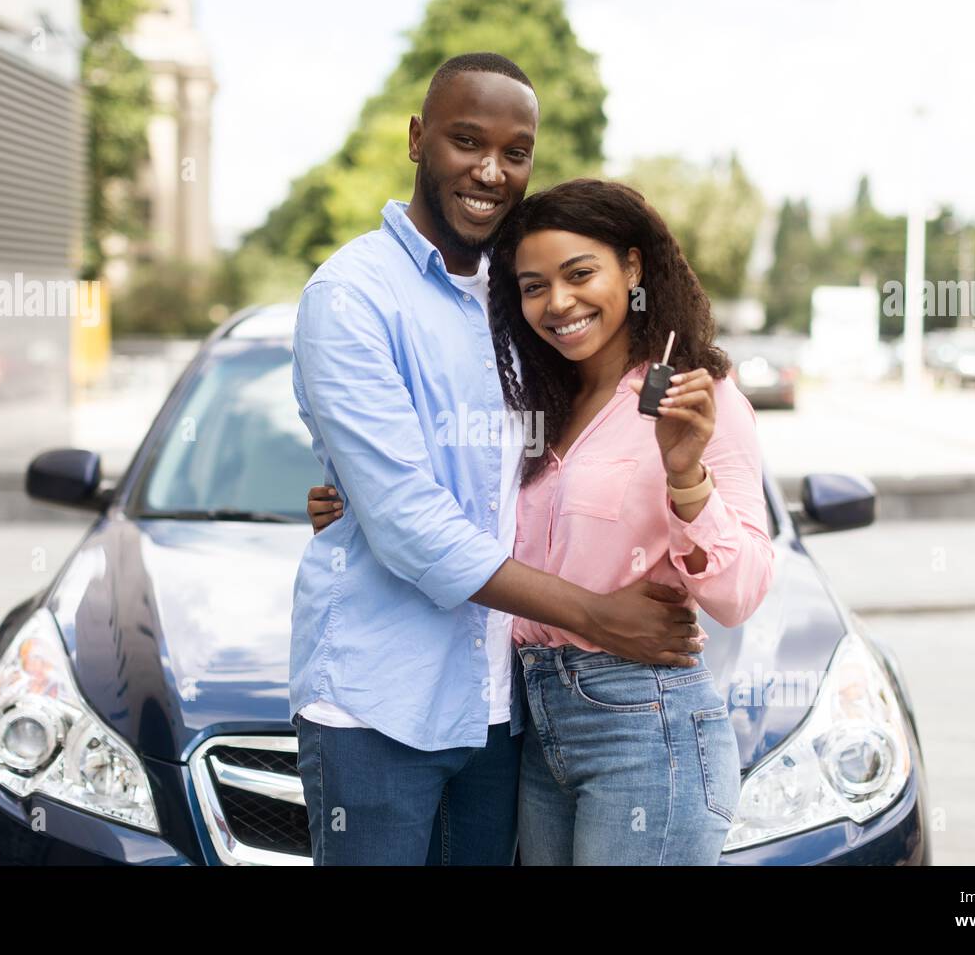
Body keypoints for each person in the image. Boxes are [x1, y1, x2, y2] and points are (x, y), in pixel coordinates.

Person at [290, 53, 702, 867]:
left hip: (502, 709)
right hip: (379, 707)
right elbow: (409, 523)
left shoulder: (521, 301)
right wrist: (595, 613)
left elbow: (543, 468)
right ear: (417, 140)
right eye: (466, 141)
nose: (490, 170)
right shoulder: (350, 298)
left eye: (516, 152)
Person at [311, 178, 775, 864]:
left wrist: (686, 477)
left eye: (580, 274)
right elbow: (453, 508)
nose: (558, 303)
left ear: (634, 267)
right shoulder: (527, 402)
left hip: (645, 723)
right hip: (532, 723)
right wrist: (359, 505)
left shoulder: (698, 398)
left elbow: (739, 596)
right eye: (532, 286)